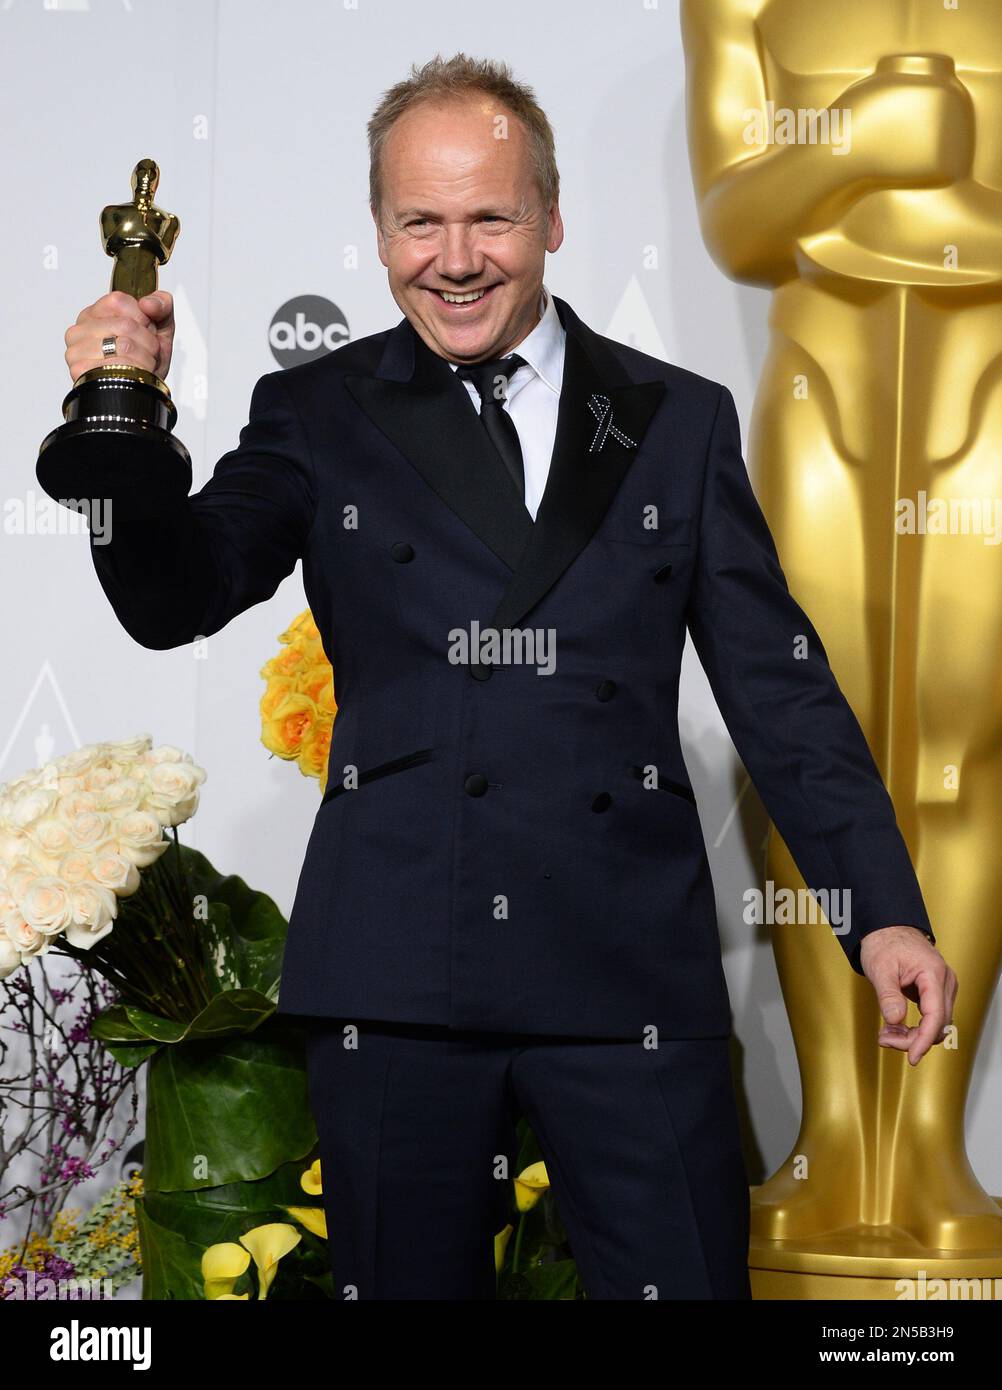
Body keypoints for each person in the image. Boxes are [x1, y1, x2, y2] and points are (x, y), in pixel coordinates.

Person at [54, 53, 955, 1301]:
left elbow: (776, 681)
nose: (456, 257)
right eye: (419, 220)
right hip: (397, 975)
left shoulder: (671, 419)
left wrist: (881, 905)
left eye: (491, 216)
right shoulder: (316, 411)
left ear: (552, 218)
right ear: (378, 231)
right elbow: (172, 600)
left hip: (624, 965)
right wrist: (124, 417)